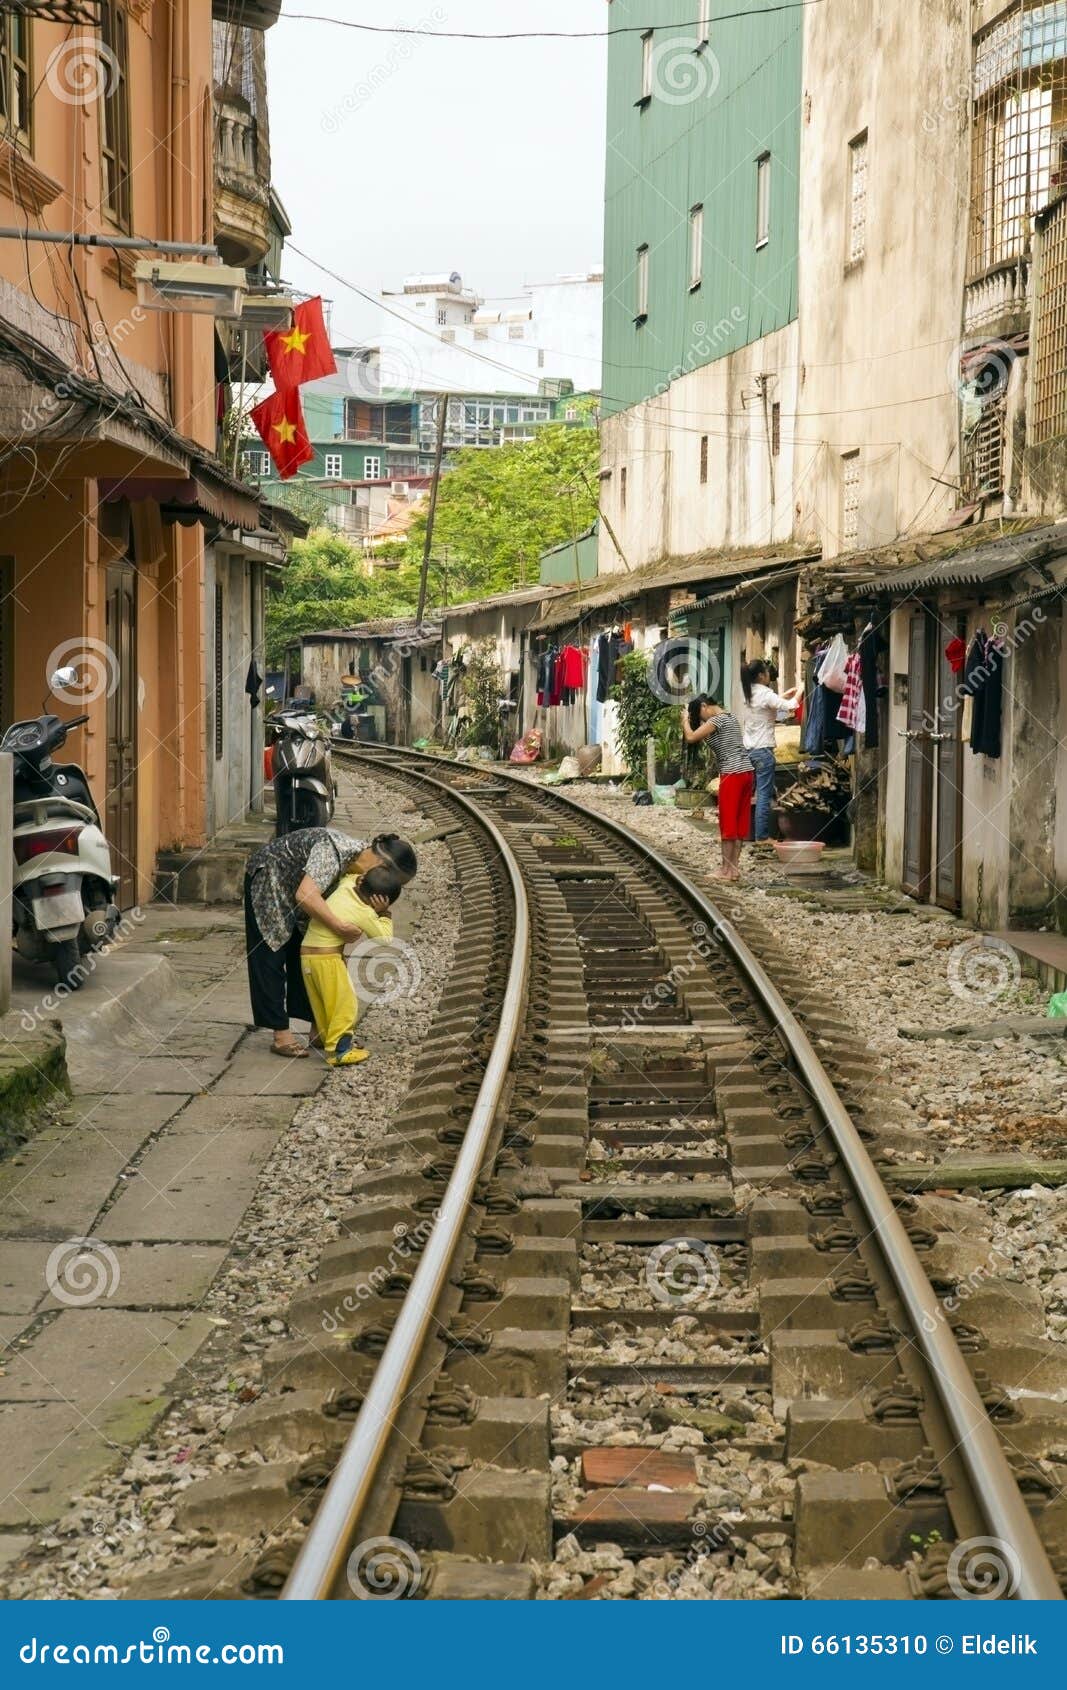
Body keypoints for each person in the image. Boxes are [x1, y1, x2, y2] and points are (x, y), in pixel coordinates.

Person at [244, 828, 417, 1058]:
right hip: (270, 877)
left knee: (306, 956)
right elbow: (305, 895)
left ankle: (318, 1030)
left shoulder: (355, 873)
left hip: (297, 889)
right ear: (383, 867)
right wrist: (338, 927)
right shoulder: (333, 850)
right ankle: (281, 1034)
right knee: (270, 953)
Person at [301, 861, 403, 1066]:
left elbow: (351, 875)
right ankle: (340, 1050)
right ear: (380, 899)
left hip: (307, 956)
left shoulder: (347, 884)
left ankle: (324, 1037)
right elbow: (385, 939)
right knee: (344, 1003)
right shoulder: (364, 912)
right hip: (327, 959)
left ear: (362, 880)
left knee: (324, 1001)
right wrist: (383, 913)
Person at [682, 695, 754, 881]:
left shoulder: (717, 720)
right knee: (739, 824)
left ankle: (725, 870)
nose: (702, 719)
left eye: (700, 714)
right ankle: (734, 869)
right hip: (746, 773)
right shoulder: (730, 717)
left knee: (728, 824)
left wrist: (684, 721)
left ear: (705, 706)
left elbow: (690, 737)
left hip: (732, 774)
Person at [739, 659, 802, 846]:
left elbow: (768, 707)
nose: (769, 676)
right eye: (767, 673)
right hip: (763, 751)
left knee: (748, 795)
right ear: (761, 675)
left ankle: (742, 833)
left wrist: (783, 695)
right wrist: (801, 690)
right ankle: (762, 837)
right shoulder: (765, 694)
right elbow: (790, 707)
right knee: (764, 796)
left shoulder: (747, 694)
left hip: (748, 750)